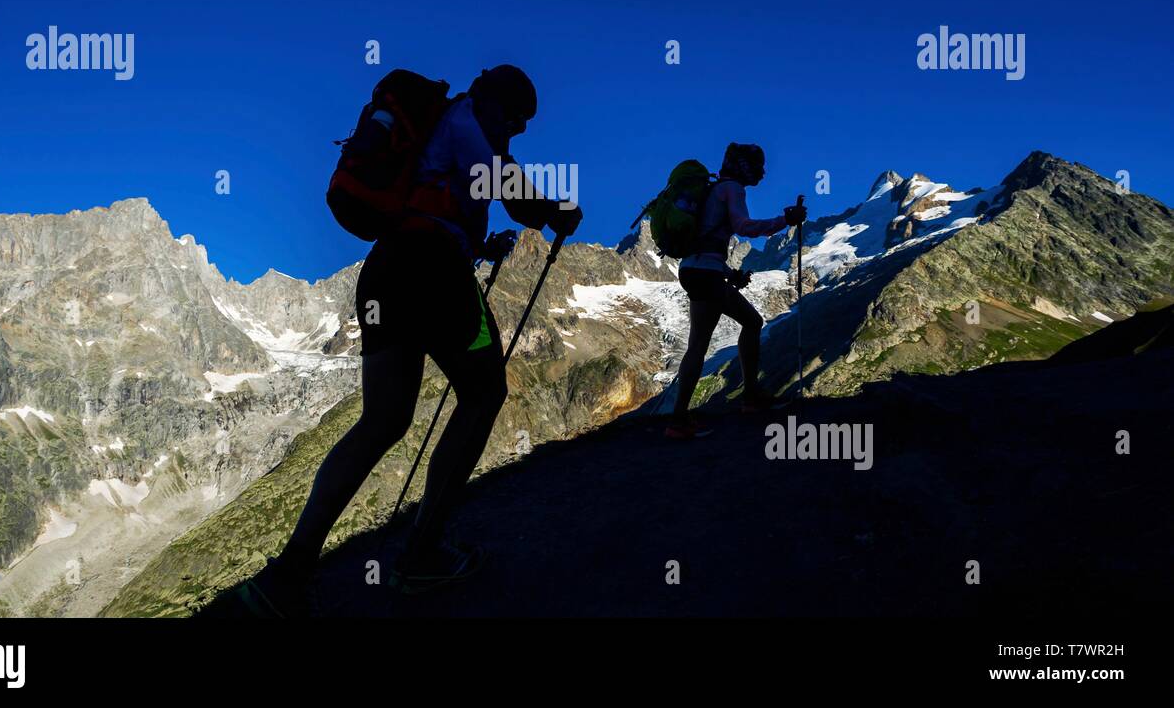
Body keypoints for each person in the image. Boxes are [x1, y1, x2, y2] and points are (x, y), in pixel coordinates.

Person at [244, 65, 582, 614]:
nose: (518, 132)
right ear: (494, 103)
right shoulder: (468, 120)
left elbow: (463, 193)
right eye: (517, 120)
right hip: (435, 273)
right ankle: (422, 551)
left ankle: (289, 572)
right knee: (484, 393)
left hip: (387, 272)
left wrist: (485, 236)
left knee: (382, 420)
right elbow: (510, 191)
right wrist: (556, 209)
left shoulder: (446, 129)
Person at [665, 142, 805, 440]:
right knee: (749, 324)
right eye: (757, 167)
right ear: (743, 167)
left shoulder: (712, 190)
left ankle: (681, 416)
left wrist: (730, 273)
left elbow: (705, 241)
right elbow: (744, 227)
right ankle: (747, 399)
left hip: (693, 270)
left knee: (700, 344)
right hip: (707, 273)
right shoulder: (732, 190)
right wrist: (785, 221)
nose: (762, 173)